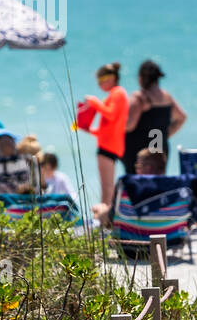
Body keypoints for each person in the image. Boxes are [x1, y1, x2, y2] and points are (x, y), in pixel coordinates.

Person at [80, 63, 129, 209]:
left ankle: (104, 221)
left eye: (103, 79)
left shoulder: (117, 93)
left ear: (113, 78)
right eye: (99, 81)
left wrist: (94, 102)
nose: (101, 84)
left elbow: (111, 115)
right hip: (111, 144)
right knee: (108, 186)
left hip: (107, 147)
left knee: (106, 187)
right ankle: (108, 219)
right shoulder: (117, 94)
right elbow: (110, 126)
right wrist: (91, 131)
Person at [123, 60, 187, 174]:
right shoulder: (167, 97)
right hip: (160, 148)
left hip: (140, 152)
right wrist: (165, 134)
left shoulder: (140, 98)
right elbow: (181, 117)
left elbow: (129, 126)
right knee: (158, 183)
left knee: (137, 184)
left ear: (141, 77)